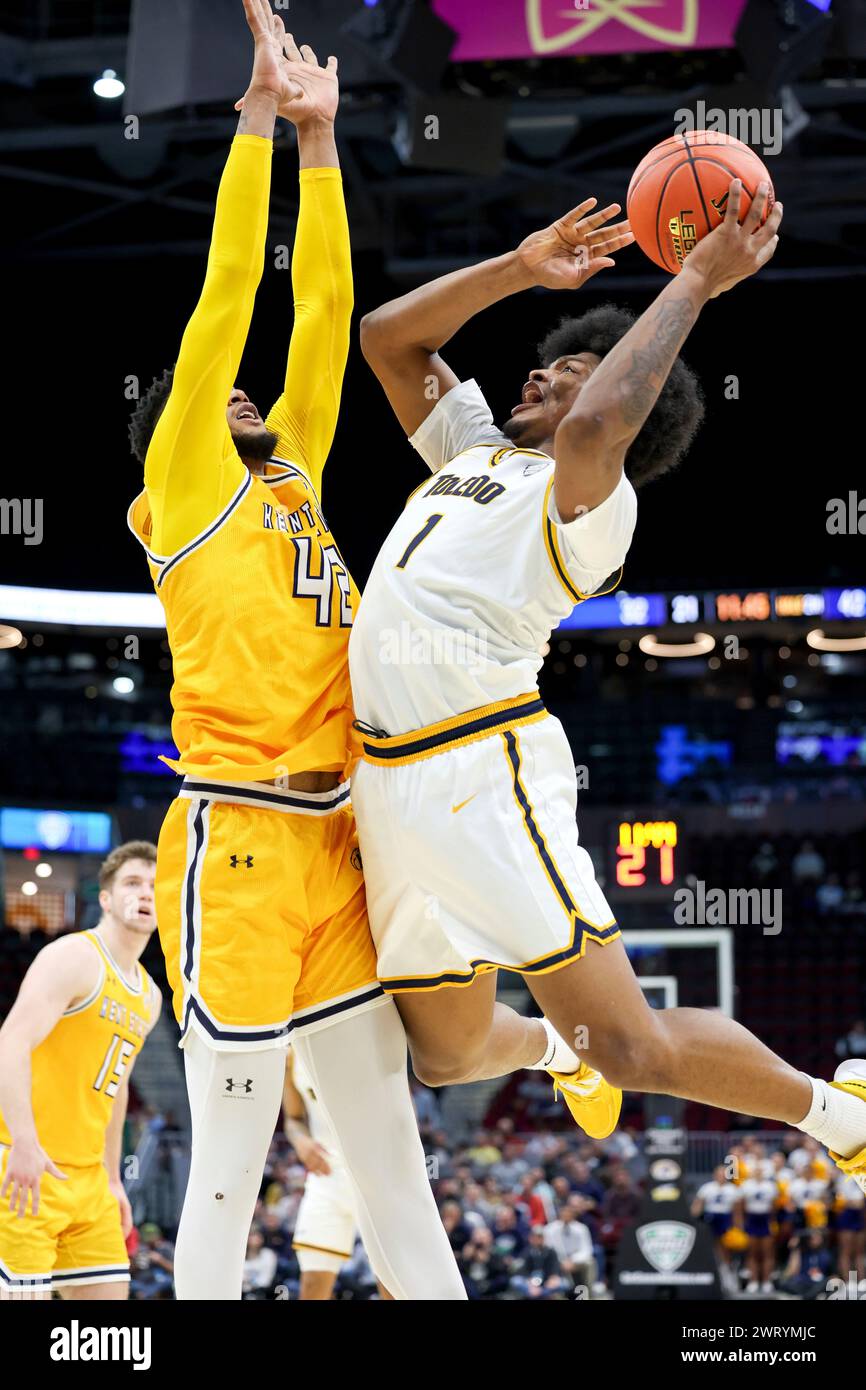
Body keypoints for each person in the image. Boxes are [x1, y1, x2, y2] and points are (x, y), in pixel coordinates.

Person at [348, 167, 866, 1197]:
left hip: (475, 773)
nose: (541, 376)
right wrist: (517, 267)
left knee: (629, 1052)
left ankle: (836, 1114)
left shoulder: (594, 501)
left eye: (574, 368)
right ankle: (551, 1048)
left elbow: (596, 429)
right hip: (382, 781)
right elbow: (385, 338)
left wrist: (696, 284)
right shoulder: (474, 447)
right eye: (547, 363)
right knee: (444, 1052)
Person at [124, 0, 462, 1301]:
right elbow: (228, 298)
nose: (258, 389)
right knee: (230, 1161)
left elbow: (322, 309)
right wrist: (258, 120)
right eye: (233, 394)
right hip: (238, 846)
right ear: (191, 427)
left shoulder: (292, 480)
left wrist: (325, 143)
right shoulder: (192, 485)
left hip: (337, 839)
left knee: (388, 1158)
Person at [0, 842, 161, 1299]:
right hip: (27, 1168)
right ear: (106, 899)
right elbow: (10, 1042)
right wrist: (24, 1143)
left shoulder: (149, 996)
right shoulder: (74, 956)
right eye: (132, 883)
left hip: (90, 1182)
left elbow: (118, 1088)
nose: (145, 893)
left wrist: (113, 1178)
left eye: (154, 886)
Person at [283, 1048, 390, 1301]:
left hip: (377, 1175)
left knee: (391, 1285)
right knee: (311, 1286)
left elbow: (402, 1108)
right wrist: (300, 1141)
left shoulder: (363, 1036)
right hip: (327, 1175)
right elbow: (294, 1118)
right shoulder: (289, 1055)